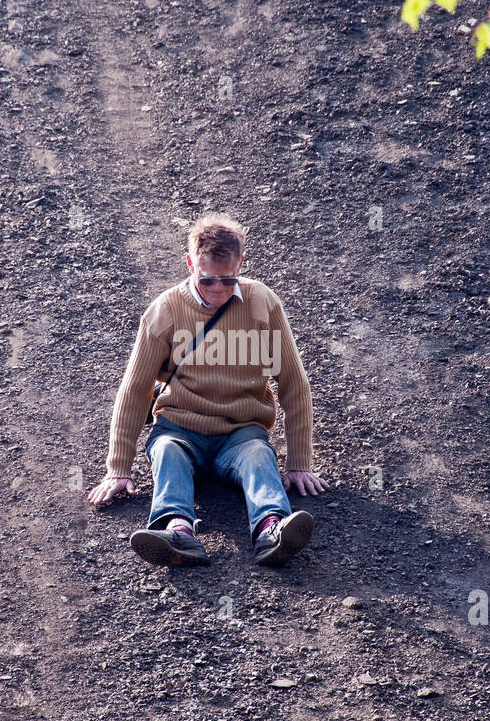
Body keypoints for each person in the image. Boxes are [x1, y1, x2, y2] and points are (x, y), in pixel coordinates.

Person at [87, 213, 329, 567]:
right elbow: (134, 389)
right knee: (167, 451)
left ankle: (272, 531)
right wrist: (118, 469)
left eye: (228, 280)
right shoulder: (165, 311)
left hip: (242, 432)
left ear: (241, 264)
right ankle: (177, 532)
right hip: (180, 427)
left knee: (261, 458)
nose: (217, 289)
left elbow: (293, 382)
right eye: (207, 281)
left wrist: (299, 463)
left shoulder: (263, 303)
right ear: (189, 264)